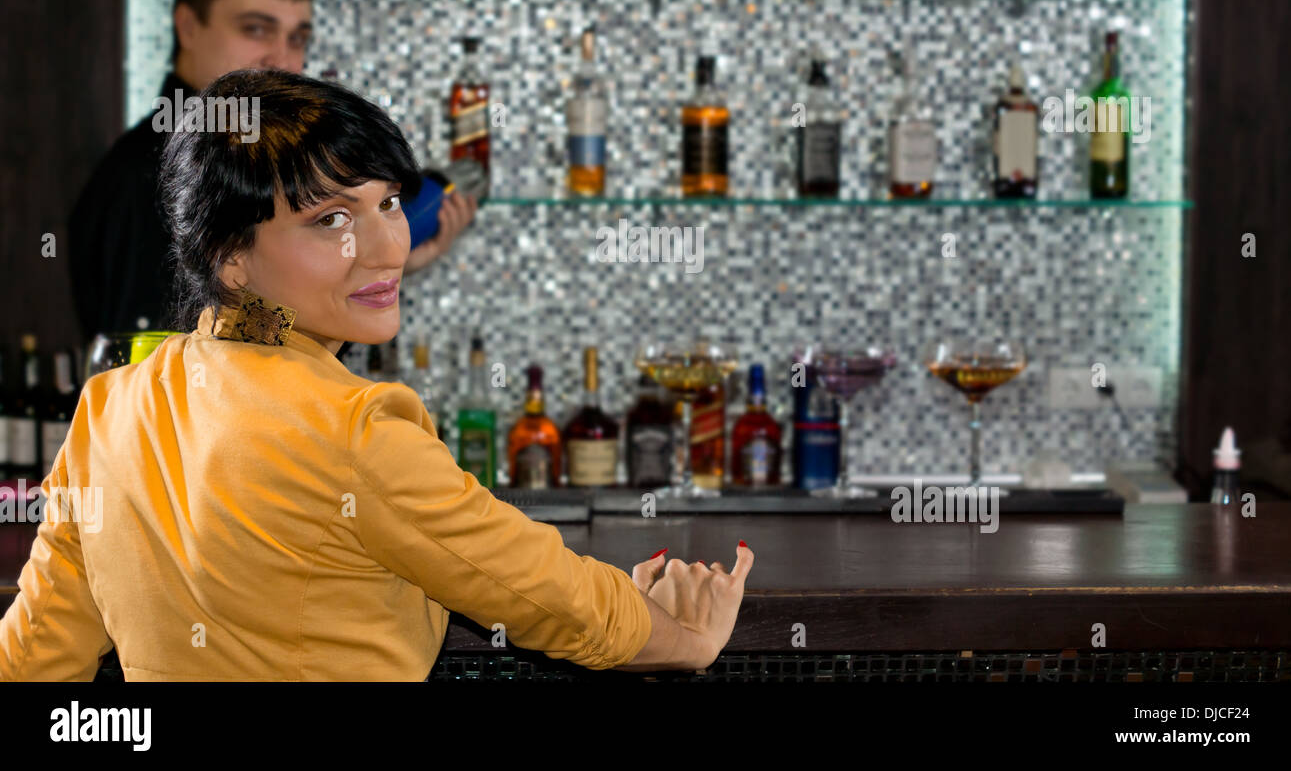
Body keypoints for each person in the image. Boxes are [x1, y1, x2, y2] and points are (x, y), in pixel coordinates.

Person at [0, 69, 753, 680]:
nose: (387, 247)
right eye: (330, 219)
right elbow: (543, 593)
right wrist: (687, 637)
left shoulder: (111, 406)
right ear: (229, 253)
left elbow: (35, 656)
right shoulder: (348, 427)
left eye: (387, 203)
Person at [67, 0, 475, 348]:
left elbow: (246, 329)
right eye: (257, 29)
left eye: (297, 38)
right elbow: (154, 371)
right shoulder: (156, 174)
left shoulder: (255, 153)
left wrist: (370, 276)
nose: (282, 60)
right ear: (188, 27)